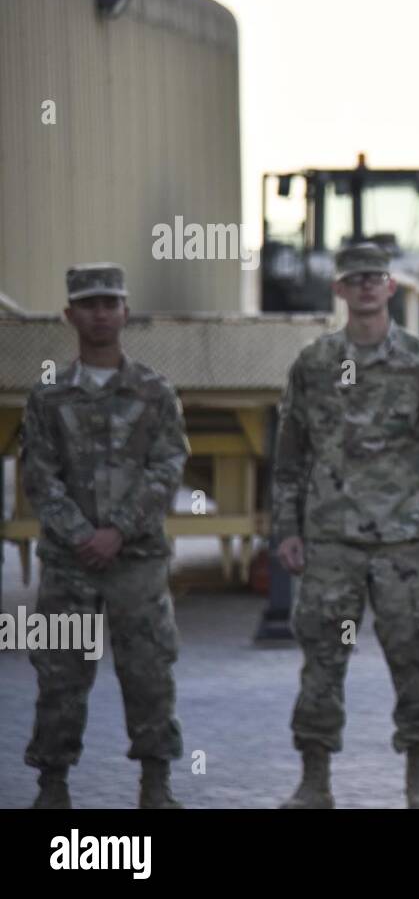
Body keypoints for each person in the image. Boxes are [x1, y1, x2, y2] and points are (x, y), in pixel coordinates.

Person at [272, 242, 419, 808]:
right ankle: (314, 782)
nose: (364, 287)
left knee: (412, 658)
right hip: (330, 541)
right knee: (321, 663)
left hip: (403, 542)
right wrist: (287, 527)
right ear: (338, 289)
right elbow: (290, 456)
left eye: (374, 277)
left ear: (391, 287)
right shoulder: (313, 365)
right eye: (353, 279)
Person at [22, 263, 190, 809]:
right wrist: (82, 537)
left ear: (125, 312)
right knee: (60, 677)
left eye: (110, 303)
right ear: (69, 315)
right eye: (88, 304)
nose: (100, 313)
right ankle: (52, 786)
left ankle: (155, 785)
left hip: (136, 562)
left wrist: (117, 532)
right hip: (71, 565)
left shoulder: (155, 392)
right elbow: (39, 478)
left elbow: (168, 468)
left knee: (148, 674)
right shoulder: (48, 397)